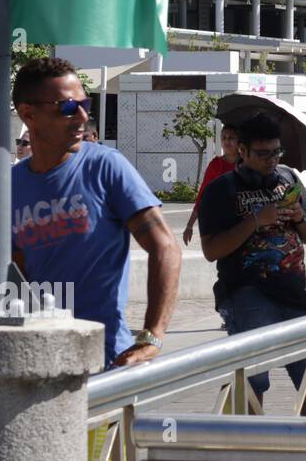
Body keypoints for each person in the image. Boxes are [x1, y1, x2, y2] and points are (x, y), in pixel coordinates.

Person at [11, 58, 180, 368]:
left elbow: (166, 246)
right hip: (36, 359)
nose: (82, 116)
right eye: (66, 107)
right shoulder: (10, 185)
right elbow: (13, 274)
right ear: (28, 114)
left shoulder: (106, 166)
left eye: (84, 103)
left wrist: (151, 337)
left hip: (103, 359)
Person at [197, 113, 306, 404]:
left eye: (276, 152)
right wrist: (254, 221)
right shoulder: (221, 190)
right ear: (242, 151)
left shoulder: (289, 179)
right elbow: (211, 250)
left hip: (294, 293)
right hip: (246, 296)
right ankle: (248, 446)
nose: (272, 160)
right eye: (263, 154)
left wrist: (301, 218)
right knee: (252, 384)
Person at [183, 124, 240, 245]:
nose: (227, 141)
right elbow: (203, 195)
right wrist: (189, 225)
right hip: (222, 224)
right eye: (224, 138)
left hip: (244, 221)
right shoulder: (215, 165)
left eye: (231, 138)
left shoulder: (247, 163)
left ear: (239, 141)